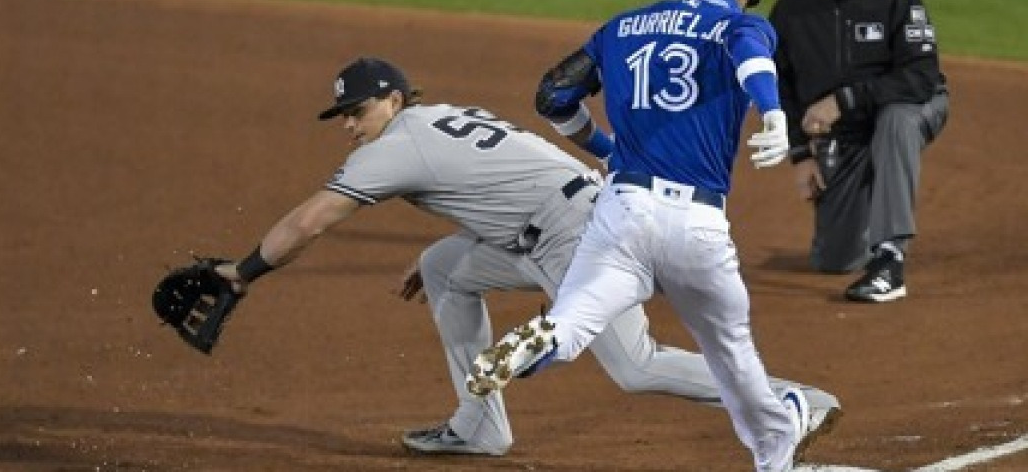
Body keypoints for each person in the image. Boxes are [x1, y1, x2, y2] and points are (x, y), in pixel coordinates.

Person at [209, 56, 840, 459]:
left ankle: (791, 400)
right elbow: (497, 187)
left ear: (394, 100)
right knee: (442, 268)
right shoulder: (439, 118)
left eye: (359, 111)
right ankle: (478, 425)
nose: (351, 125)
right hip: (566, 219)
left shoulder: (393, 147)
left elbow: (310, 221)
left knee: (635, 366)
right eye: (344, 117)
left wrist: (242, 273)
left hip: (579, 235)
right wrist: (447, 247)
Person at [467, 0, 821, 471]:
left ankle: (539, 342)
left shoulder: (623, 26)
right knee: (730, 350)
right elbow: (751, 57)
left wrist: (605, 148)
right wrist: (773, 113)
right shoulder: (743, 24)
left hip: (621, 211)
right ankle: (774, 452)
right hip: (695, 224)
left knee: (575, 319)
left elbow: (552, 95)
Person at [769, 0, 950, 302]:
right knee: (834, 259)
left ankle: (890, 259)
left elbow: (921, 76)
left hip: (916, 107)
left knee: (896, 121)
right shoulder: (793, 6)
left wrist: (844, 100)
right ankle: (867, 212)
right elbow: (781, 86)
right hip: (849, 134)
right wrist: (801, 154)